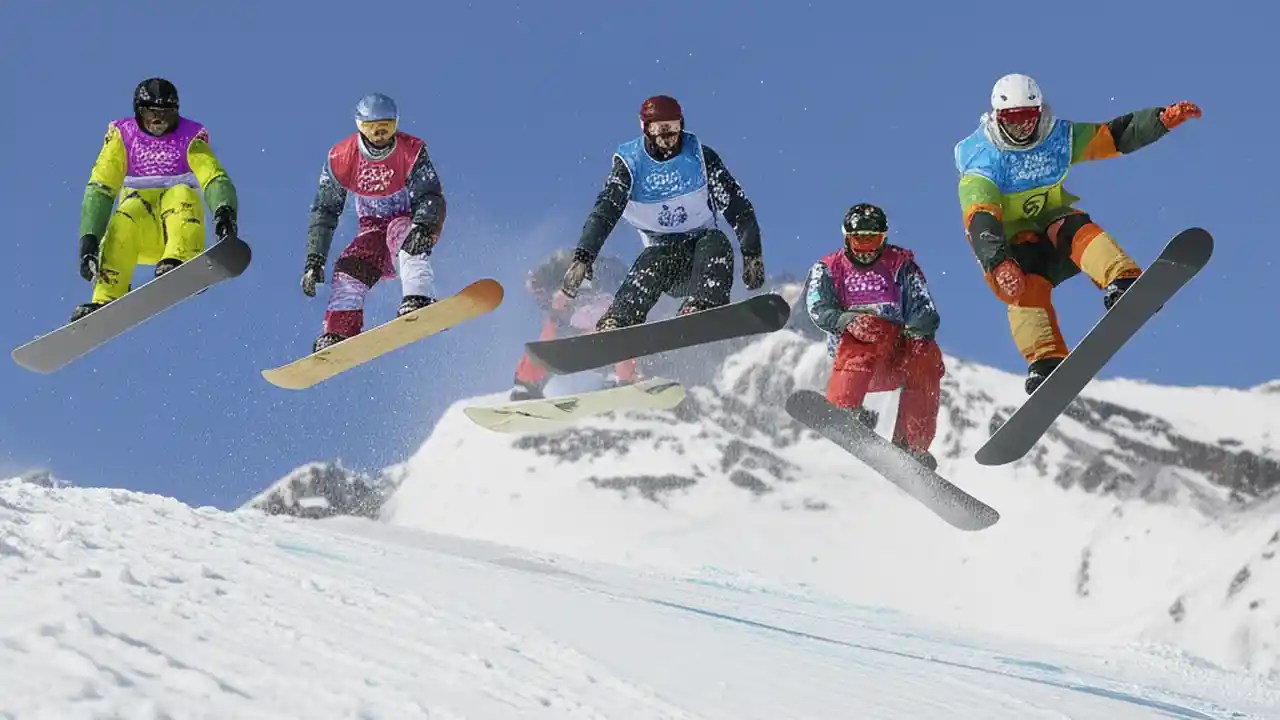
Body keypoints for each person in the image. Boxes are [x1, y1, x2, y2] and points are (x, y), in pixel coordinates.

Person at [954, 73, 1202, 393]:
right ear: (997, 117)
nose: (1022, 127)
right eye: (1012, 119)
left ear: (1039, 112)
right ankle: (1045, 360)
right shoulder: (982, 157)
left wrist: (1161, 120)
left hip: (1051, 221)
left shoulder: (1057, 136)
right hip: (1012, 245)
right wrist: (998, 262)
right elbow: (981, 218)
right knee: (1023, 288)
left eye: (1029, 117)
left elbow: (1113, 136)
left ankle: (1123, 279)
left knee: (1074, 228)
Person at [560, 95, 766, 329]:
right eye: (661, 130)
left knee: (716, 241)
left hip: (705, 257)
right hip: (666, 262)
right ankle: (618, 319)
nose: (669, 139)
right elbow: (605, 212)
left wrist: (752, 254)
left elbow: (737, 207)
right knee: (652, 258)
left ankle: (703, 305)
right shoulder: (630, 166)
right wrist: (583, 258)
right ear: (646, 129)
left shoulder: (700, 158)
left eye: (675, 129)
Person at [72, 78, 239, 322]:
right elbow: (101, 188)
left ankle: (180, 260)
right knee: (124, 217)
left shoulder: (189, 138)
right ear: (139, 111)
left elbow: (214, 178)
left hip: (178, 228)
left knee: (180, 193)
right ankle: (108, 295)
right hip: (140, 232)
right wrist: (89, 242)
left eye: (166, 114)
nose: (158, 121)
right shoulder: (123, 137)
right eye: (151, 113)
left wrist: (224, 213)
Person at [302, 93, 446, 352]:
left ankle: (418, 296)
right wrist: (315, 260)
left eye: (387, 127)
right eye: (372, 128)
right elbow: (325, 210)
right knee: (349, 267)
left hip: (408, 221)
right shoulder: (342, 157)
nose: (380, 135)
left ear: (396, 124)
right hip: (372, 229)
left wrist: (424, 225)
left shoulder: (410, 150)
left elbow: (429, 192)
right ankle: (339, 330)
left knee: (403, 235)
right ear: (359, 127)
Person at [806, 203, 944, 470]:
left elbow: (924, 309)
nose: (867, 249)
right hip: (854, 355)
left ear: (885, 237)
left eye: (874, 240)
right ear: (847, 237)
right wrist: (846, 320)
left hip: (894, 357)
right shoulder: (829, 268)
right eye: (860, 239)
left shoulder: (901, 266)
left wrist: (916, 337)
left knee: (927, 355)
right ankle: (844, 406)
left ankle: (911, 445)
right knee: (868, 327)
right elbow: (818, 307)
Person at [510, 250, 637, 401]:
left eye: (541, 294)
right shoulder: (558, 315)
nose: (541, 300)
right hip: (580, 327)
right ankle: (526, 386)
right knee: (550, 336)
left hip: (607, 315)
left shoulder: (585, 277)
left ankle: (629, 376)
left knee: (609, 329)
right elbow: (545, 346)